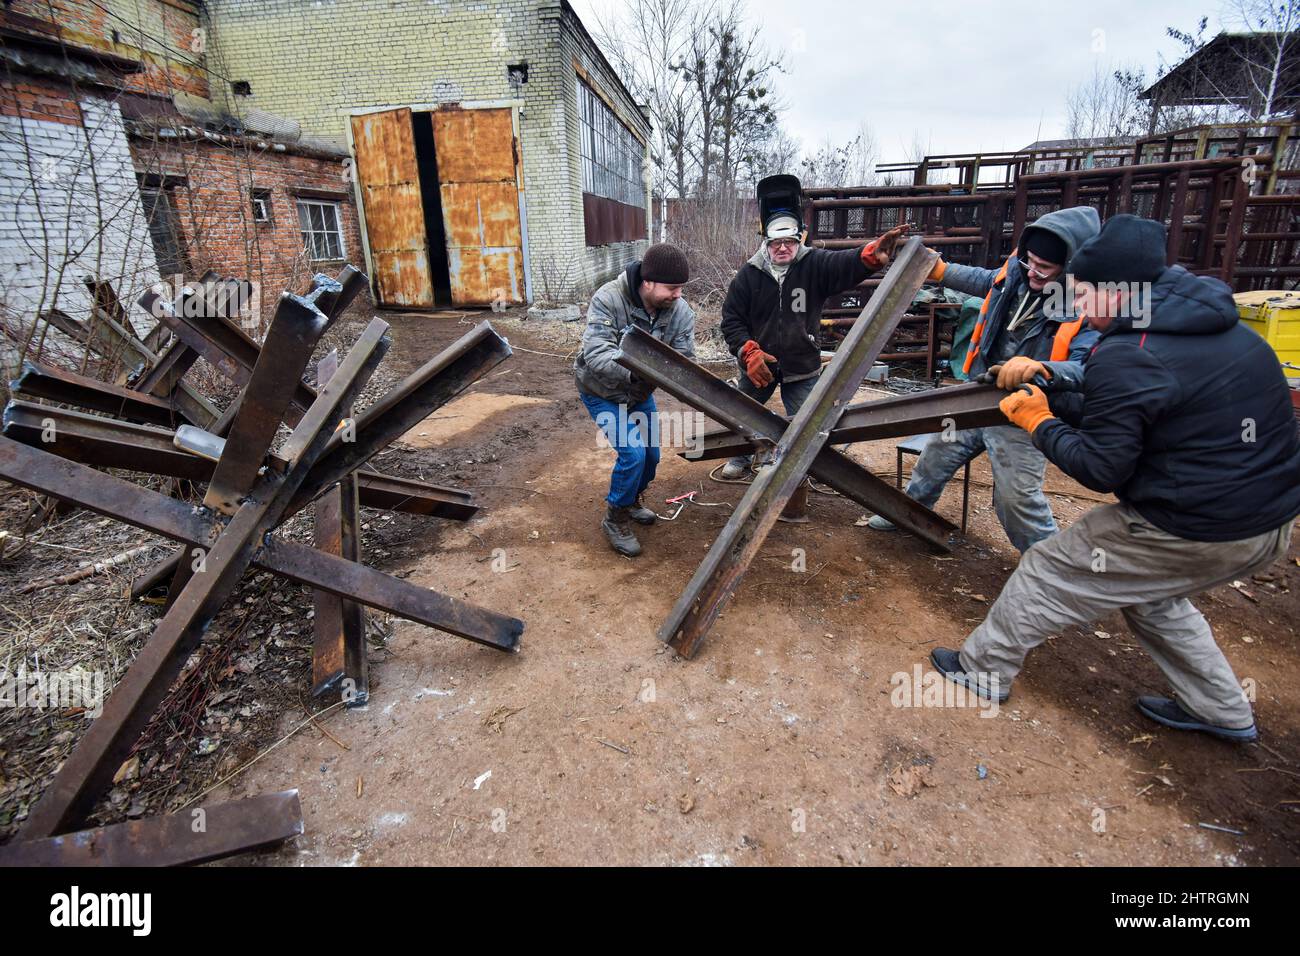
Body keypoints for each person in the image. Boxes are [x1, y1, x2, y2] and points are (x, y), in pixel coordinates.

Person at [930, 214, 1300, 742]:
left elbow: (1101, 468)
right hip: (1267, 520)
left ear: (1117, 290)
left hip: (1195, 521)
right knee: (1152, 595)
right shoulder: (1217, 327)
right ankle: (1222, 709)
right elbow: (1129, 407)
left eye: (1083, 294)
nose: (1078, 307)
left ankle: (982, 669)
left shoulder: (1130, 352)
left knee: (1047, 568)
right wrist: (1051, 377)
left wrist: (1039, 421)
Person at [867, 207, 1102, 552]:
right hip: (980, 393)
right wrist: (940, 270)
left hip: (1024, 410)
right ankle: (909, 513)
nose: (1033, 272)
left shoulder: (1085, 307)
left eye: (1044, 268)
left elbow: (1088, 370)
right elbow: (984, 280)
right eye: (1030, 262)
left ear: (1068, 268)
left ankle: (1051, 564)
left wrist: (1042, 370)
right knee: (935, 456)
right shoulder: (1016, 273)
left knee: (1016, 500)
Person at [719, 174, 906, 479]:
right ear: (766, 242)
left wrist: (870, 257)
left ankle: (801, 464)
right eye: (776, 242)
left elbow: (843, 264)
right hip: (759, 363)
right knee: (745, 413)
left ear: (800, 239)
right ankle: (740, 457)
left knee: (807, 424)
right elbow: (731, 320)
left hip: (801, 363)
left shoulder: (814, 265)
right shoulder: (748, 276)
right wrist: (748, 352)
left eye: (789, 242)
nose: (783, 248)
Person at [575, 243, 696, 557]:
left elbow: (684, 359)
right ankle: (615, 518)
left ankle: (631, 501)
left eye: (681, 287)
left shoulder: (680, 311)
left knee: (651, 457)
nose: (678, 295)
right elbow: (597, 354)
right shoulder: (608, 299)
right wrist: (642, 372)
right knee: (633, 454)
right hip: (602, 392)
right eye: (672, 288)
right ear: (648, 282)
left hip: (639, 393)